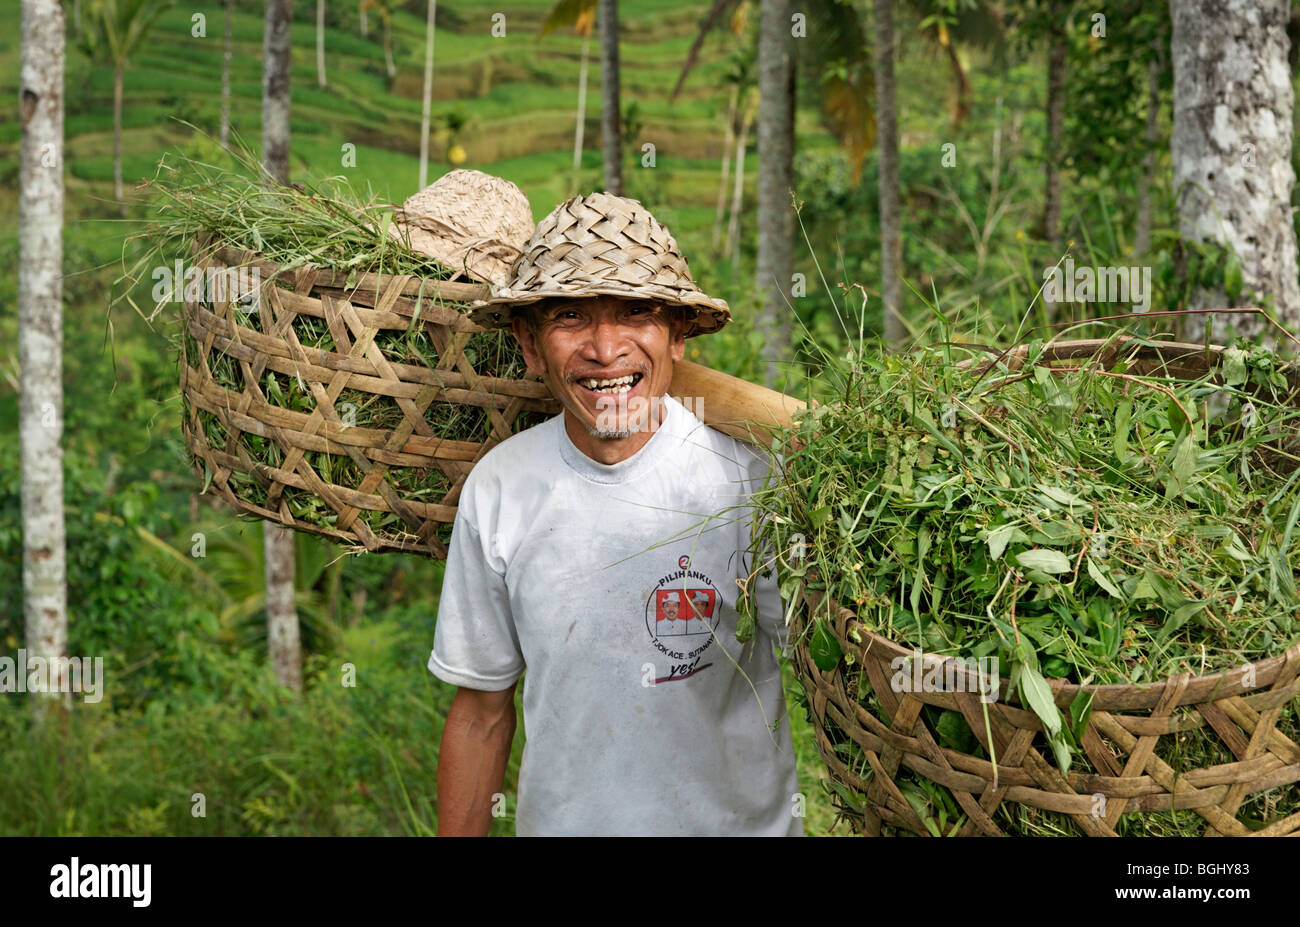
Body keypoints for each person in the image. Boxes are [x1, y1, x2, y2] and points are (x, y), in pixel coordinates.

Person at [429, 191, 801, 836]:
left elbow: (832, 665)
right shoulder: (500, 488)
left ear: (678, 334)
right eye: (571, 316)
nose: (605, 348)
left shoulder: (751, 482)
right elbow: (482, 712)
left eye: (636, 312)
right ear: (529, 343)